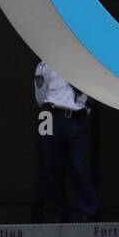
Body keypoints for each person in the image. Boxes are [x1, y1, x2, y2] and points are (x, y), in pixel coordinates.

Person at [34, 61, 102, 223]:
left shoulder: (81, 62)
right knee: (50, 164)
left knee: (79, 165)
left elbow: (93, 88)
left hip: (76, 117)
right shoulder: (44, 65)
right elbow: (40, 95)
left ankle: (89, 210)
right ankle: (57, 212)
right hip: (49, 117)